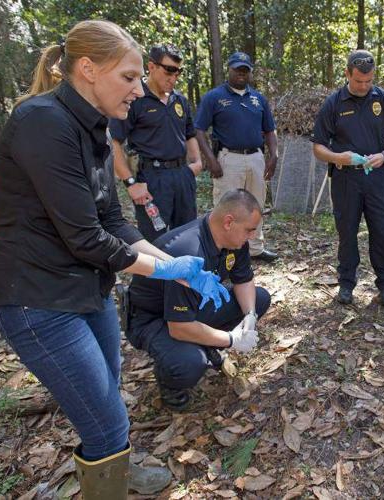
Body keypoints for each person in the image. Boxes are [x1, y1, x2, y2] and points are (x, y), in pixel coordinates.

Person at [0, 21, 229, 499]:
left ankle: (113, 460)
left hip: (86, 288)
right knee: (106, 418)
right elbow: (86, 238)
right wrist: (169, 270)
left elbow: (114, 221)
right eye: (129, 77)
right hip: (39, 299)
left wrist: (181, 267)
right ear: (88, 68)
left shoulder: (93, 126)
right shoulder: (43, 122)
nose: (138, 90)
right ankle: (109, 469)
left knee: (107, 392)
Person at [126, 189, 271, 409]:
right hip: (153, 318)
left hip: (192, 307)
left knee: (258, 299)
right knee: (190, 363)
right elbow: (179, 327)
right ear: (228, 222)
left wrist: (250, 315)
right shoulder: (189, 251)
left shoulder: (235, 241)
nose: (252, 236)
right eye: (249, 230)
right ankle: (171, 384)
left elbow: (243, 280)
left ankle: (204, 342)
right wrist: (231, 339)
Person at [311, 50, 384, 307]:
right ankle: (346, 284)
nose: (364, 86)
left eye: (369, 81)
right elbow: (318, 147)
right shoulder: (334, 103)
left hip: (376, 177)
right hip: (345, 180)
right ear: (347, 74)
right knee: (347, 232)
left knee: (382, 231)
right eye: (358, 81)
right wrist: (337, 157)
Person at [109, 43, 202, 240]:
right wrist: (131, 183)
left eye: (177, 72)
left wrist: (196, 163)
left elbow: (189, 133)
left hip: (182, 175)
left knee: (187, 236)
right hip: (152, 179)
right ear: (151, 67)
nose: (173, 78)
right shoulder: (134, 98)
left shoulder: (179, 100)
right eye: (168, 71)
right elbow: (113, 142)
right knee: (154, 240)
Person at [194, 52, 279, 262]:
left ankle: (255, 248)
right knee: (226, 206)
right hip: (228, 158)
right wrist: (210, 159)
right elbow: (199, 130)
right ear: (229, 69)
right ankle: (223, 251)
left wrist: (274, 155)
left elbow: (270, 130)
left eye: (245, 70)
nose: (241, 73)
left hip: (256, 157)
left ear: (250, 72)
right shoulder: (214, 97)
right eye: (237, 69)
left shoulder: (258, 99)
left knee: (256, 204)